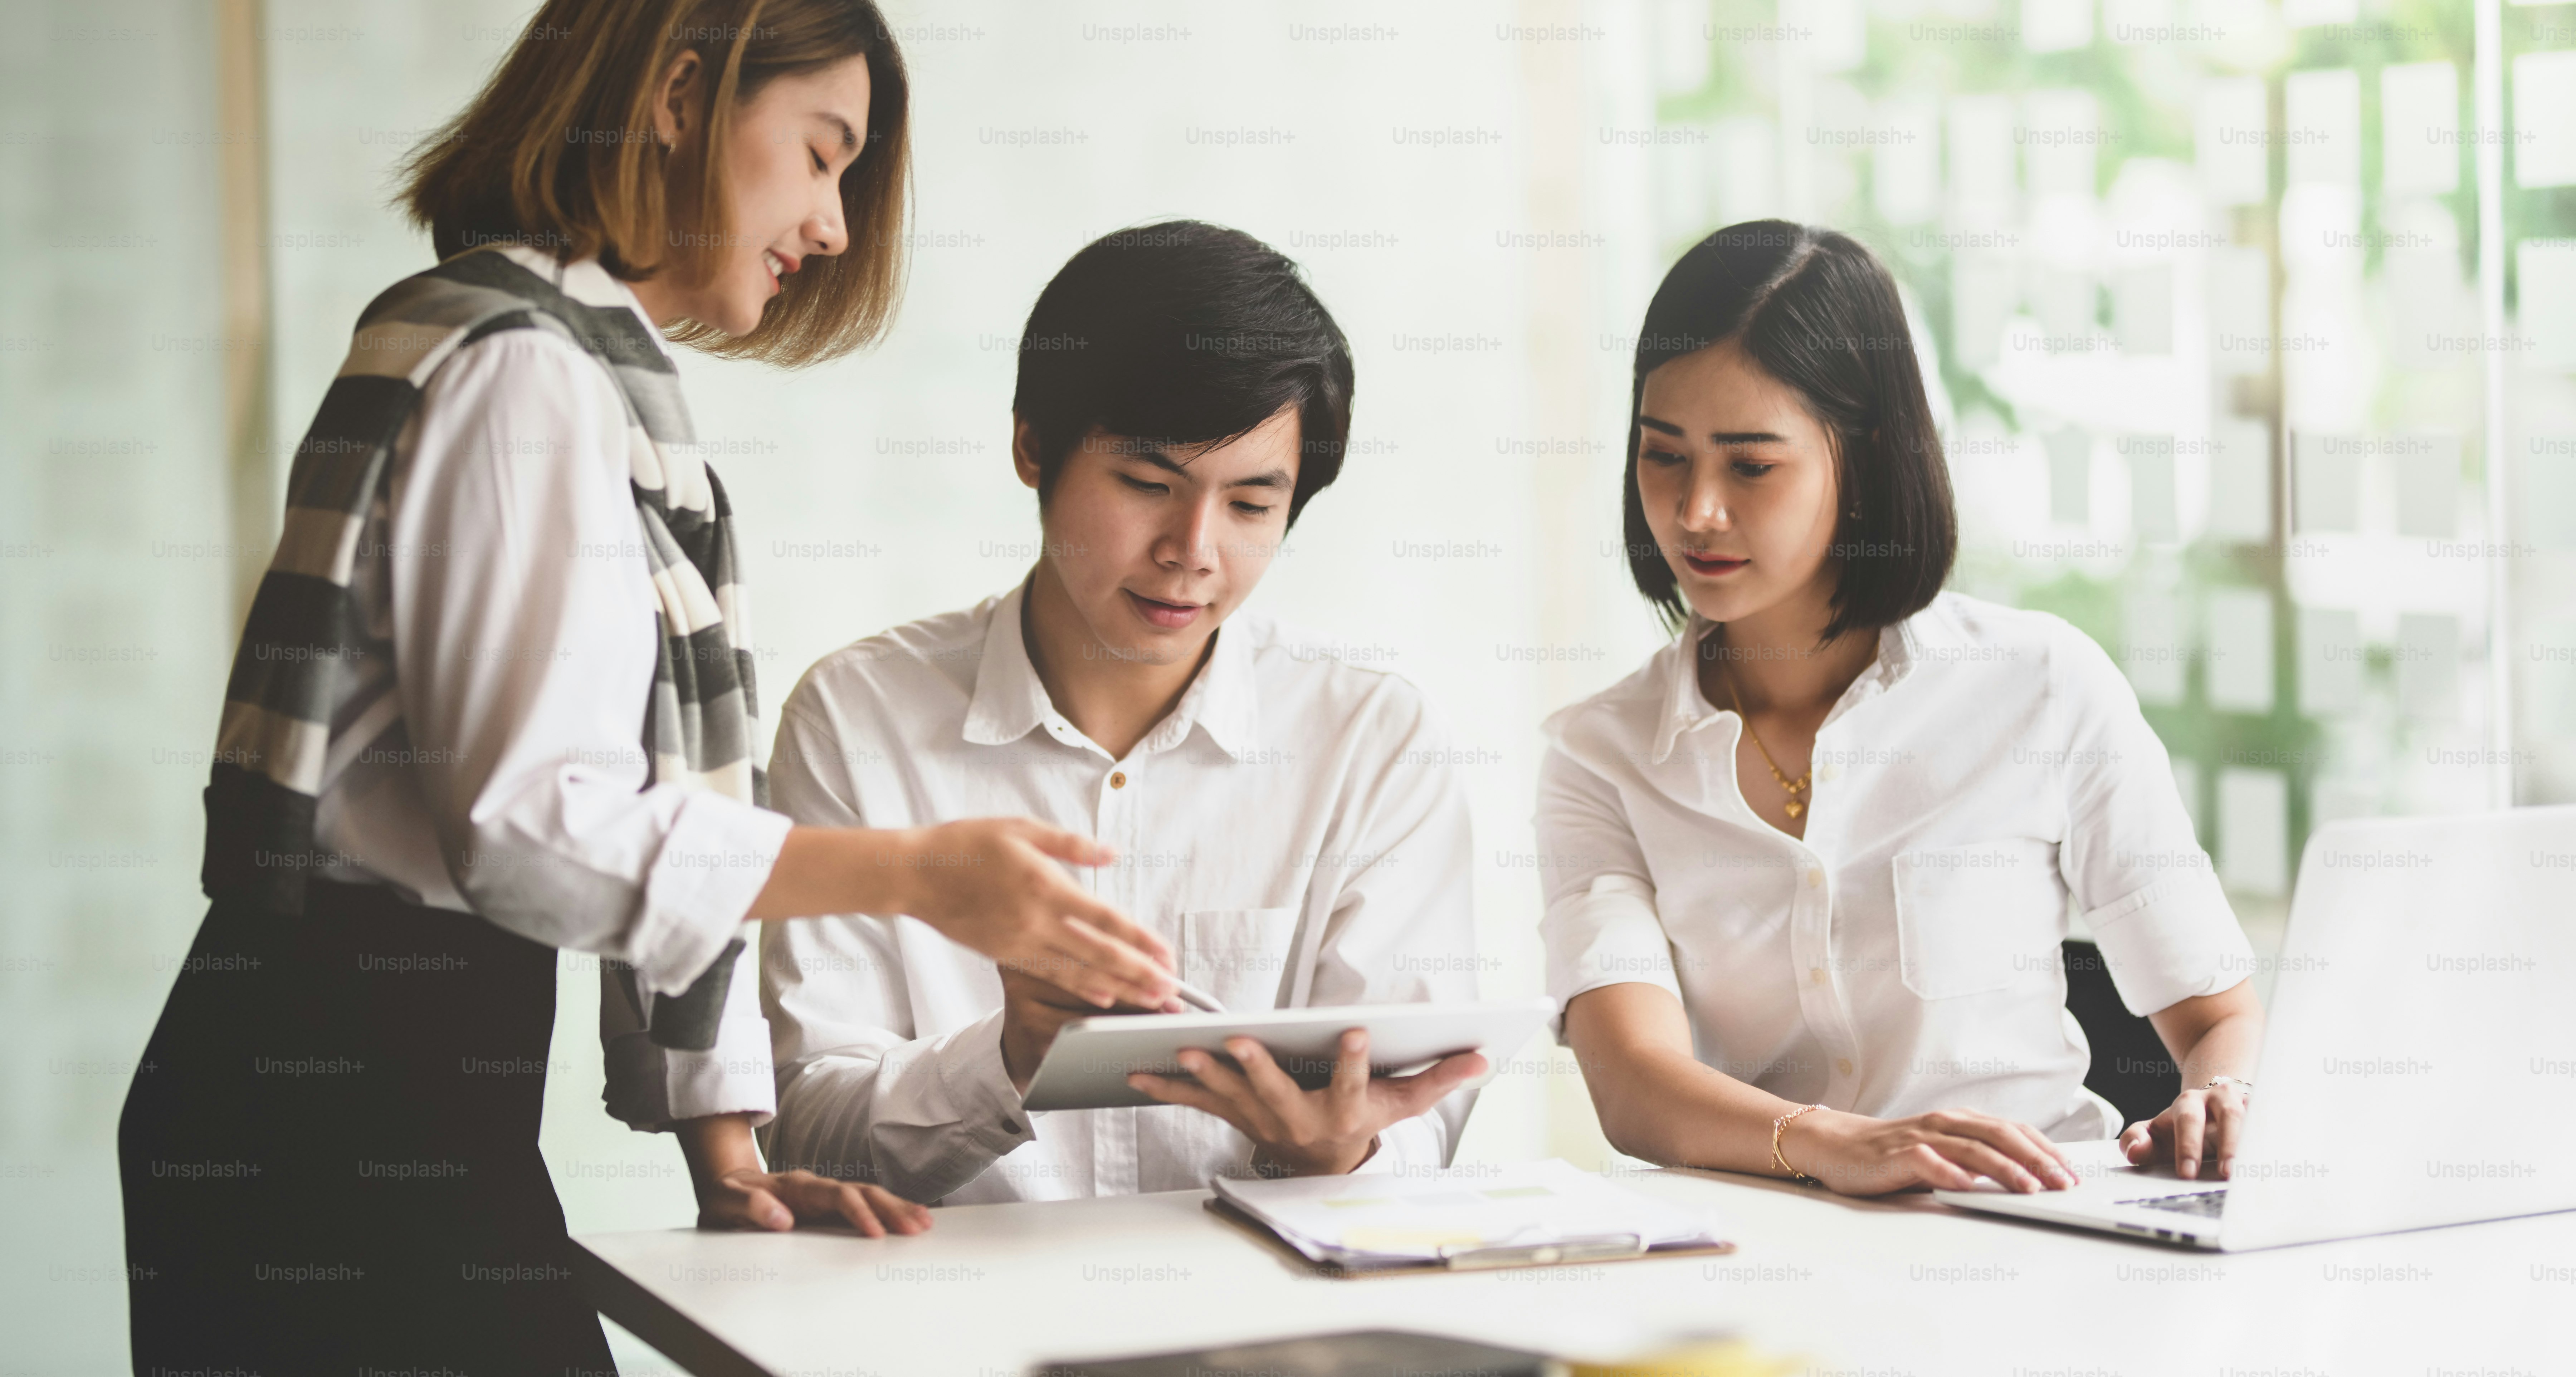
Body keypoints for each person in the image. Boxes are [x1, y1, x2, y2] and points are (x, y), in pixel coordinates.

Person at [118, 4, 1174, 1370]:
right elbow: (534, 824)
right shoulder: (527, 374)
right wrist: (916, 871)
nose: (836, 224)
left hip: (365, 1074)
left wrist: (725, 1154)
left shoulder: (542, 356)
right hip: (340, 1104)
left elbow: (650, 794)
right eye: (820, 154)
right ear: (679, 98)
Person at [702, 221, 1489, 1202]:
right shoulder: (860, 718)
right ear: (1035, 445)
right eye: (1148, 484)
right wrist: (1008, 1052)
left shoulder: (1370, 742)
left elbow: (1414, 1126)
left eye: (1249, 505)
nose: (1193, 549)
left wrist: (1342, 1150)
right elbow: (812, 1137)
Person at [1538, 221, 2264, 1198]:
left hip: (2039, 1228)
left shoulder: (2042, 686)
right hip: (1768, 1253)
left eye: (1750, 465)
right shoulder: (1602, 754)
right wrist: (1829, 1140)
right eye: (1665, 456)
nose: (1696, 510)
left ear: (1866, 457)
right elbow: (1633, 1083)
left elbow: (2218, 1013)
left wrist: (2217, 1098)